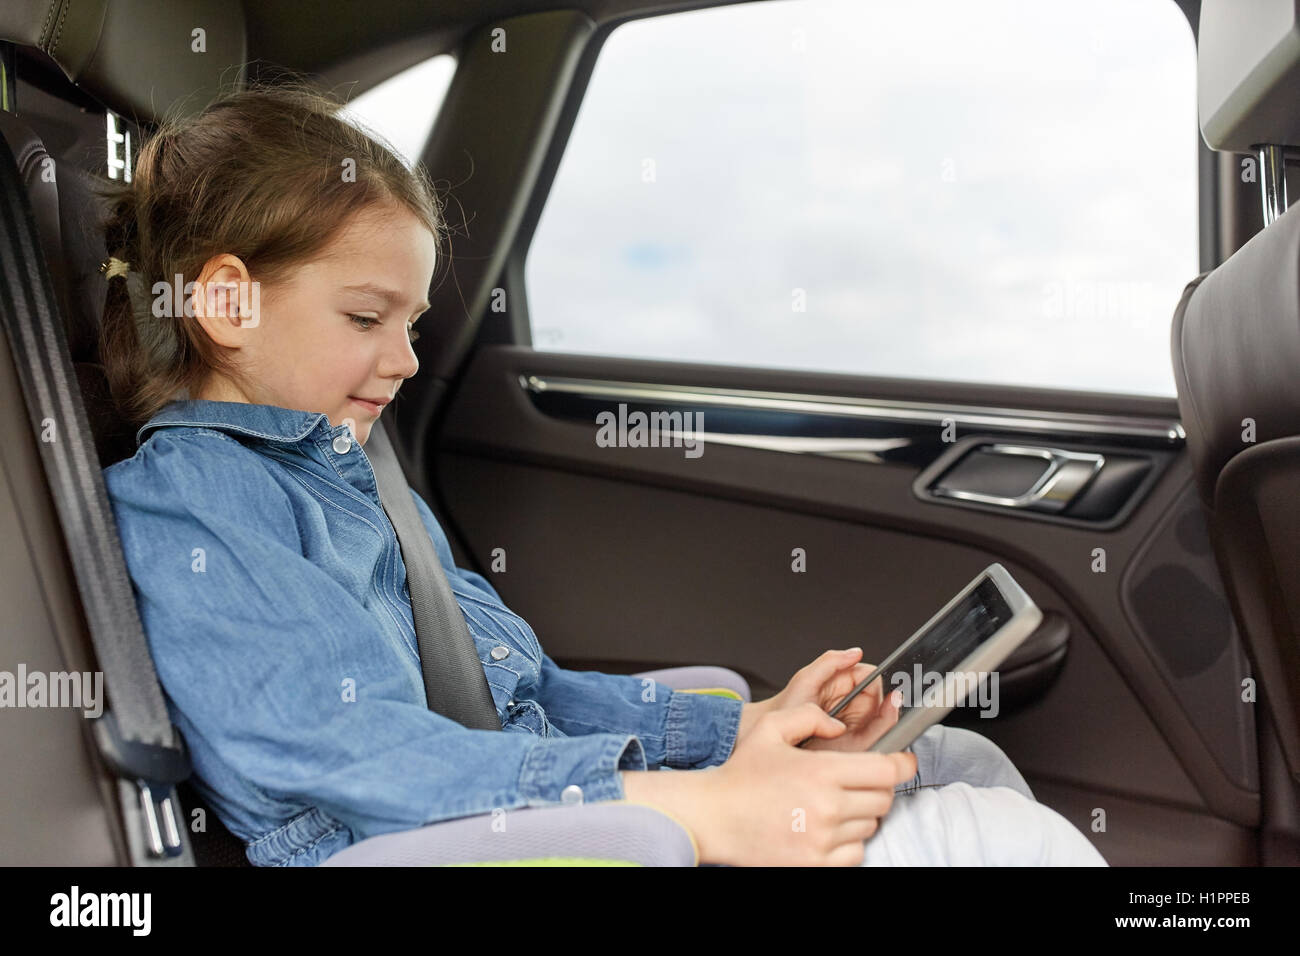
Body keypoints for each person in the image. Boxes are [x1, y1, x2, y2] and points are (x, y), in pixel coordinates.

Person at [98, 81, 1105, 867]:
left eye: (410, 324)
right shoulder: (198, 502)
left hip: (542, 811)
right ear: (225, 305)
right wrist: (703, 807)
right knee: (987, 835)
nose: (404, 358)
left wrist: (737, 729)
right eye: (367, 319)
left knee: (952, 761)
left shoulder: (352, 475)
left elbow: (530, 692)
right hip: (450, 843)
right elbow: (360, 759)